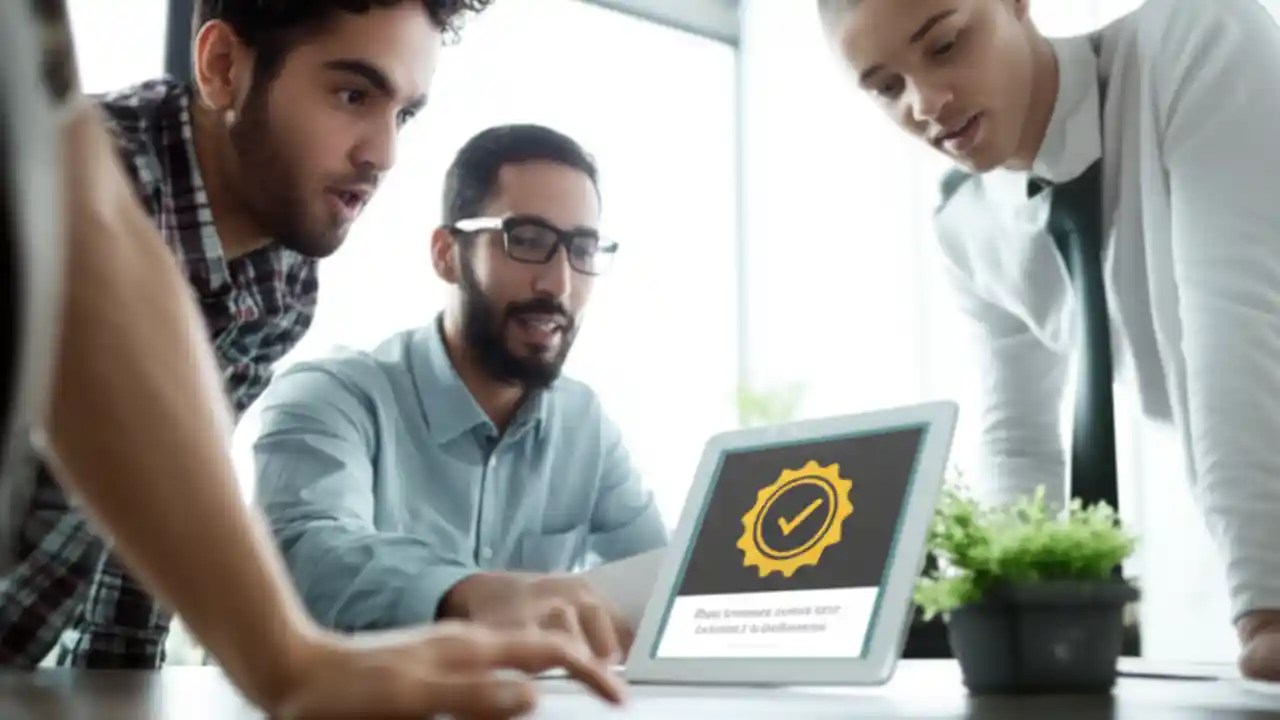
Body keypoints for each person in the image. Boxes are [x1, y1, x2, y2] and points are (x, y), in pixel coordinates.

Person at [0, 1, 625, 717]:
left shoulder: (282, 283)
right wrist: (291, 660)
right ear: (222, 67)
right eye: (352, 95)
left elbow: (144, 526)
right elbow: (307, 544)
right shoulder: (84, 176)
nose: (382, 154)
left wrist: (122, 694)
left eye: (404, 114)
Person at [817, 0, 1280, 680]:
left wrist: (1267, 603)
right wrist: (1018, 634)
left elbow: (1236, 320)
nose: (926, 103)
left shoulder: (1198, 39)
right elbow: (1020, 443)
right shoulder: (968, 225)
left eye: (945, 45)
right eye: (887, 87)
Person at [254, 124, 669, 663]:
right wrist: (471, 597)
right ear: (447, 254)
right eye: (525, 240)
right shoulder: (331, 397)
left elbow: (664, 583)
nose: (559, 284)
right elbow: (304, 552)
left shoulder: (584, 422)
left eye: (582, 248)